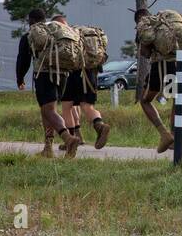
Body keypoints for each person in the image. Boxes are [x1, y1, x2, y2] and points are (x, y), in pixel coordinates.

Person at [16, 8, 81, 158]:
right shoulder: (56, 32)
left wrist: (20, 78)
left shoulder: (31, 34)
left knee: (48, 110)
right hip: (63, 74)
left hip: (45, 74)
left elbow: (23, 59)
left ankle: (68, 138)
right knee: (48, 110)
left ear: (31, 20)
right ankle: (48, 148)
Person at [135, 8, 182, 161]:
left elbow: (145, 52)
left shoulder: (146, 27)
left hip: (163, 66)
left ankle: (165, 134)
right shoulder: (167, 21)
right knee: (179, 104)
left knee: (145, 101)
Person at [57, 16, 112, 150]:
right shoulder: (85, 35)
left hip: (73, 74)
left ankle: (70, 140)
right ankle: (100, 125)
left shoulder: (65, 37)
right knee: (87, 106)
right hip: (91, 73)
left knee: (66, 107)